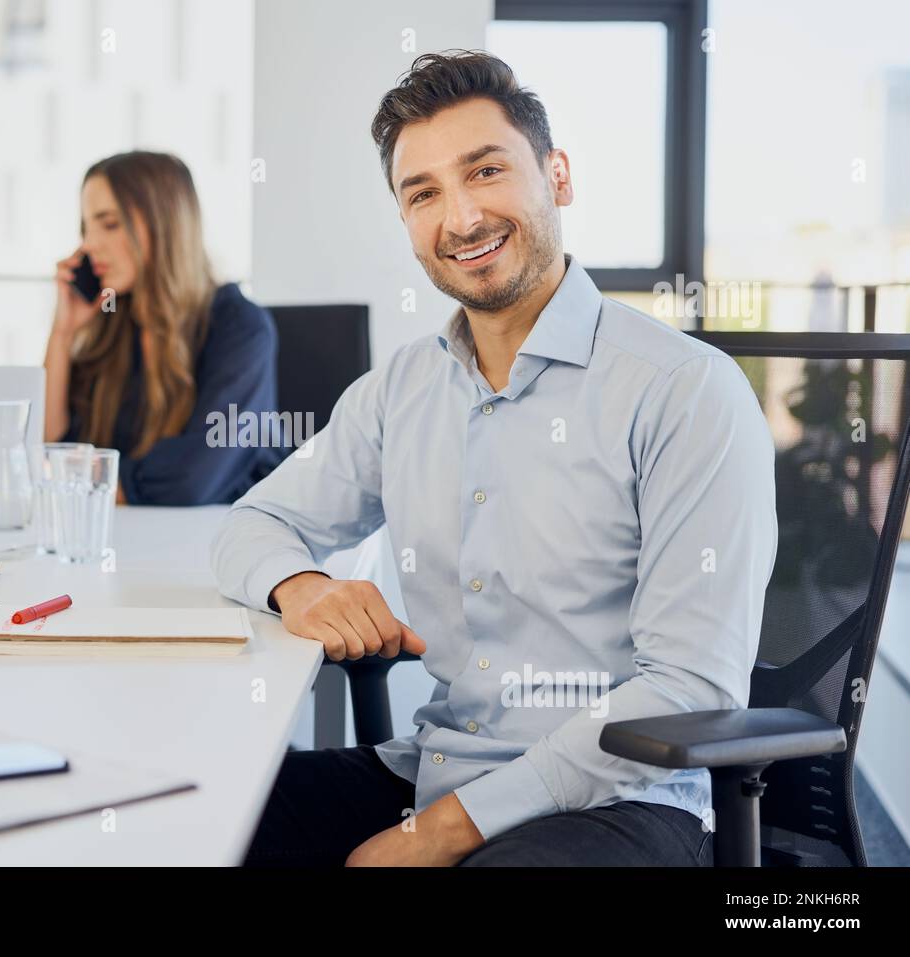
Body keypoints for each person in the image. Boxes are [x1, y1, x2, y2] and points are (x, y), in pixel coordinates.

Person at [212, 50, 779, 866]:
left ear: (558, 176)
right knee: (202, 817)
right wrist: (300, 586)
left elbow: (689, 690)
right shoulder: (403, 388)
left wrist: (440, 833)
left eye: (486, 171)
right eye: (424, 193)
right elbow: (251, 522)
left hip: (624, 799)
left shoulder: (686, 392)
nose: (462, 217)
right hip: (432, 770)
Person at [44, 150, 281, 506]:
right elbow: (50, 449)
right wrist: (62, 334)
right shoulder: (111, 326)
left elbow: (192, 479)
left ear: (164, 224)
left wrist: (78, 480)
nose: (89, 246)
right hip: (132, 538)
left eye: (109, 224)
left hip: (216, 542)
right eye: (86, 227)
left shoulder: (240, 327)